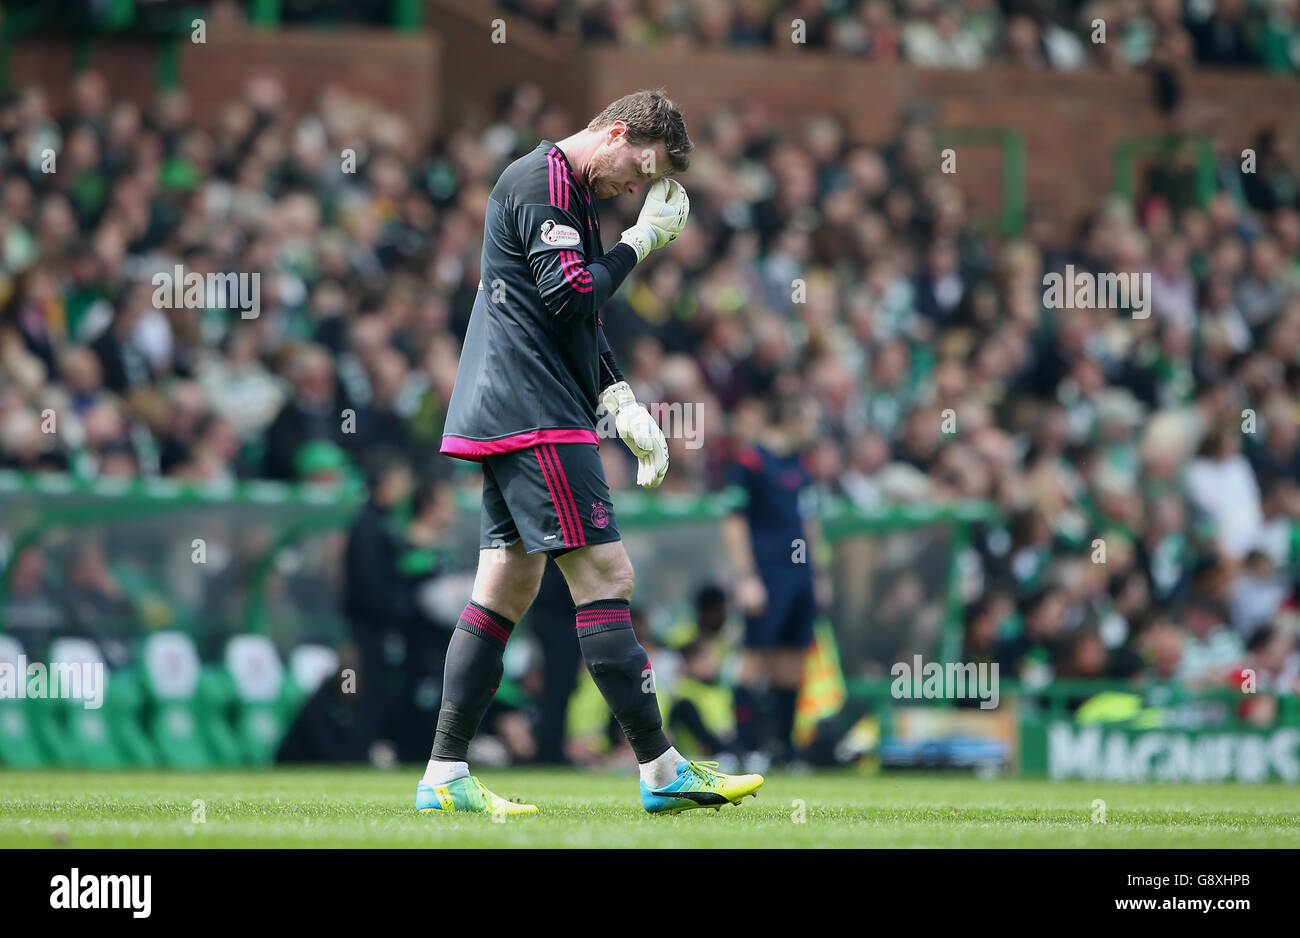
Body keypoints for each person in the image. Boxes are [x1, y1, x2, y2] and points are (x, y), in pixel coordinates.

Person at [417, 89, 764, 815]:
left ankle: (444, 774)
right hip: (534, 412)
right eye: (641, 169)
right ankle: (663, 770)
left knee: (505, 586)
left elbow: (569, 318)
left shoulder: (564, 189)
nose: (636, 188)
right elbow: (573, 293)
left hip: (520, 407)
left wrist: (617, 397)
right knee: (607, 572)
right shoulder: (541, 180)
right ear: (616, 132)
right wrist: (639, 242)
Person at [721, 392, 827, 768]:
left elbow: (809, 520)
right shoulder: (750, 461)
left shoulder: (801, 463)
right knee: (754, 657)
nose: (817, 429)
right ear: (792, 419)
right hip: (766, 572)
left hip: (798, 575)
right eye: (812, 420)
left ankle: (784, 749)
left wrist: (818, 573)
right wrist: (746, 576)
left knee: (793, 660)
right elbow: (734, 520)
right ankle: (742, 748)